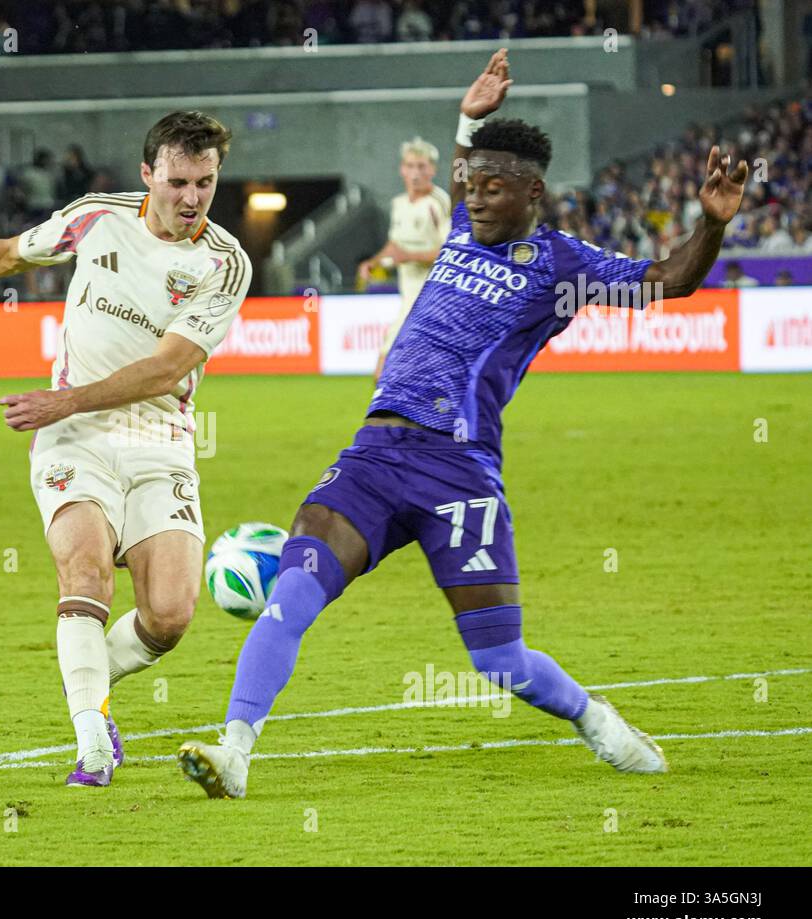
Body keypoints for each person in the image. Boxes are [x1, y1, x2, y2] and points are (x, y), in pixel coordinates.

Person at [178, 49, 749, 799]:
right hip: (376, 452)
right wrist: (469, 115)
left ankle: (598, 722)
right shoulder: (456, 224)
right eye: (469, 186)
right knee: (295, 589)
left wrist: (708, 225)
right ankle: (235, 751)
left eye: (492, 188)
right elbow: (460, 162)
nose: (474, 199)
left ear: (532, 191)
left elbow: (667, 282)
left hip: (459, 470)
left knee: (499, 661)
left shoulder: (559, 267)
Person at [0, 111, 253, 788]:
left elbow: (167, 369)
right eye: (179, 181)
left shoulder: (225, 263)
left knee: (170, 614)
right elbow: (13, 252)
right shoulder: (96, 216)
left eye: (206, 183)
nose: (192, 198)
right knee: (85, 576)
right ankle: (92, 743)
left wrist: (65, 397)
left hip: (159, 441)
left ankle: (88, 677)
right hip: (76, 439)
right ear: (147, 175)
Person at [356, 135, 451, 377]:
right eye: (410, 166)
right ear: (402, 169)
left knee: (387, 362)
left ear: (432, 169)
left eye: (421, 166)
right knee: (400, 365)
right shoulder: (398, 204)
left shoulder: (438, 203)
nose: (415, 172)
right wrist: (374, 262)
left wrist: (410, 255)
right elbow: (395, 244)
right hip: (408, 294)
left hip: (432, 294)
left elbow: (451, 253)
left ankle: (386, 410)